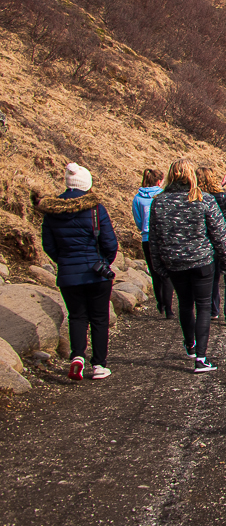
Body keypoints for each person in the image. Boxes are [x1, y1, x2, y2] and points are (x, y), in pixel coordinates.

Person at [149, 159, 226, 372]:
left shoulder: (159, 202)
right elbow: (220, 233)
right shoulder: (203, 199)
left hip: (175, 262)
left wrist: (158, 266)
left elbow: (154, 237)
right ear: (191, 176)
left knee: (185, 303)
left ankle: (190, 345)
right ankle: (201, 359)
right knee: (203, 305)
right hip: (202, 260)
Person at [36, 163, 118, 381]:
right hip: (96, 271)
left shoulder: (52, 210)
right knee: (100, 318)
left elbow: (48, 245)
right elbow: (109, 242)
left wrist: (64, 262)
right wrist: (104, 262)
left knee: (77, 317)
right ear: (87, 184)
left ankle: (77, 357)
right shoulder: (95, 208)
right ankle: (99, 365)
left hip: (68, 273)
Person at [197, 167, 226, 326]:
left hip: (208, 241)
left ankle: (213, 310)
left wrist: (221, 185)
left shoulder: (197, 198)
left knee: (213, 277)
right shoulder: (222, 197)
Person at [132, 167, 173, 318]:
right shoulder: (164, 195)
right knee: (167, 273)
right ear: (159, 181)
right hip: (163, 237)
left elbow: (138, 220)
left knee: (155, 273)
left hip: (147, 238)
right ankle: (169, 308)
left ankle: (160, 302)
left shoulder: (137, 198)